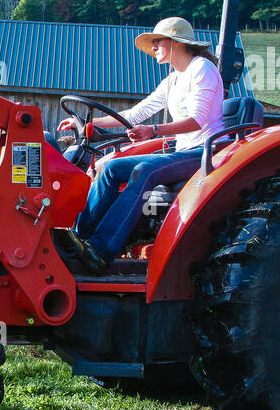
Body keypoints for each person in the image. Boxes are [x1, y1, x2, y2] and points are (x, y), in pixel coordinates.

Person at [59, 17, 224, 273]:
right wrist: (84, 121)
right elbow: (136, 114)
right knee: (111, 168)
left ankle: (101, 250)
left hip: (205, 152)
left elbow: (198, 120)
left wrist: (153, 131)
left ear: (176, 43)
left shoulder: (201, 69)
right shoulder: (173, 80)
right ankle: (79, 239)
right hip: (185, 151)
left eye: (158, 42)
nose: (154, 48)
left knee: (144, 170)